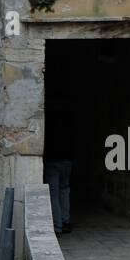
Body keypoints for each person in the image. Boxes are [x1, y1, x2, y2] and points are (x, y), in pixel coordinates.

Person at [43, 93, 74, 235]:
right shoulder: (69, 121)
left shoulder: (47, 120)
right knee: (64, 190)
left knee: (54, 194)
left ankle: (57, 226)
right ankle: (66, 221)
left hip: (52, 161)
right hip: (67, 160)